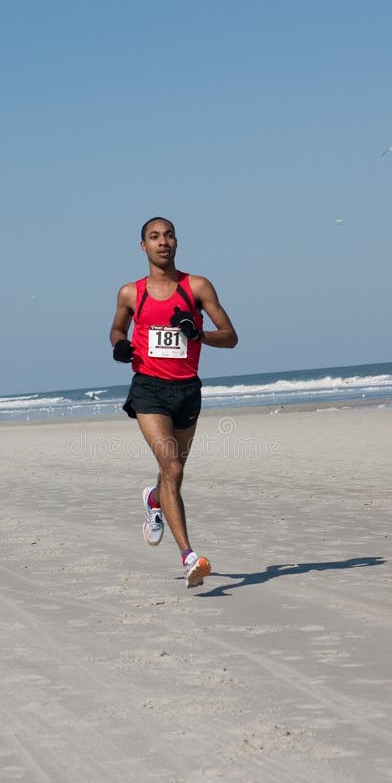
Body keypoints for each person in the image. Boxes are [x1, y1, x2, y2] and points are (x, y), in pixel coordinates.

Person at [110, 217, 238, 588]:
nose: (162, 242)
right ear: (143, 247)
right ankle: (189, 556)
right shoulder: (131, 293)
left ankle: (154, 501)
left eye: (168, 235)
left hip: (187, 390)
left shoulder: (197, 286)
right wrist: (119, 345)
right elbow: (117, 327)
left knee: (172, 472)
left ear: (176, 242)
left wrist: (198, 333)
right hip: (149, 387)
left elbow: (230, 337)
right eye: (154, 237)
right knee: (173, 467)